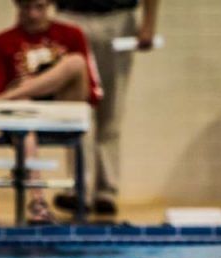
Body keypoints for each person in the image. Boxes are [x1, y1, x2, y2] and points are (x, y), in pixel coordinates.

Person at [0, 0, 102, 224]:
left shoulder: (71, 34)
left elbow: (88, 90)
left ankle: (83, 195)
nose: (32, 14)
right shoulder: (2, 41)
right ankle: (38, 203)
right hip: (25, 115)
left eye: (39, 7)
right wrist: (19, 91)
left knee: (76, 62)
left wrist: (35, 84)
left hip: (63, 111)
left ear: (49, 5)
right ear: (17, 7)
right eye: (26, 8)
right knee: (23, 111)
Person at [55, 0, 158, 217]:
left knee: (111, 109)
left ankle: (106, 191)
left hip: (117, 17)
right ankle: (78, 188)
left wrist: (149, 22)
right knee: (77, 111)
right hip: (70, 15)